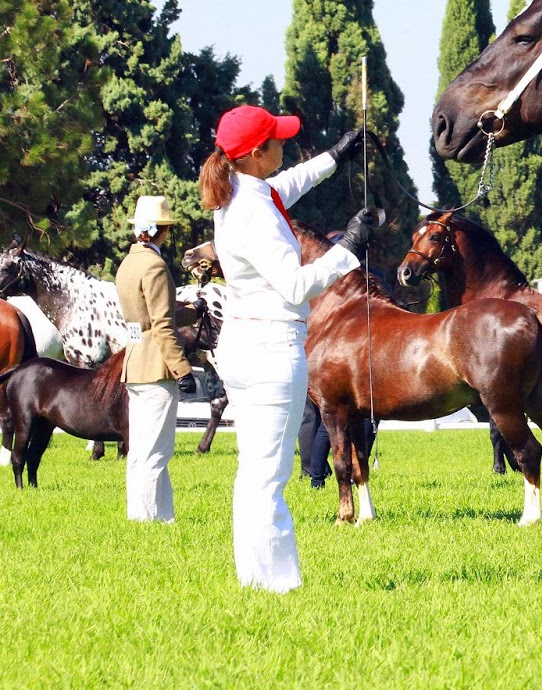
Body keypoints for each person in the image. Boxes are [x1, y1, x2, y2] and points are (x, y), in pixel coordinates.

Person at [198, 105, 373, 593]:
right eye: (276, 140)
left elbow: (290, 184)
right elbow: (296, 286)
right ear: (257, 154)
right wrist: (348, 250)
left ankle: (255, 578)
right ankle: (278, 585)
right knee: (269, 476)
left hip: (246, 343)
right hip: (271, 347)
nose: (282, 144)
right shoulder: (254, 210)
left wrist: (336, 157)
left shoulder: (239, 191)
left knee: (254, 470)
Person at [116, 195, 201, 523]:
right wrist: (183, 370)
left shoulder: (129, 263)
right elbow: (163, 325)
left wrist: (192, 312)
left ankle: (160, 518)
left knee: (140, 453)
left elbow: (148, 320)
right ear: (162, 230)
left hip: (135, 360)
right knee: (156, 453)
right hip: (156, 368)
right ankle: (147, 521)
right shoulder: (154, 266)